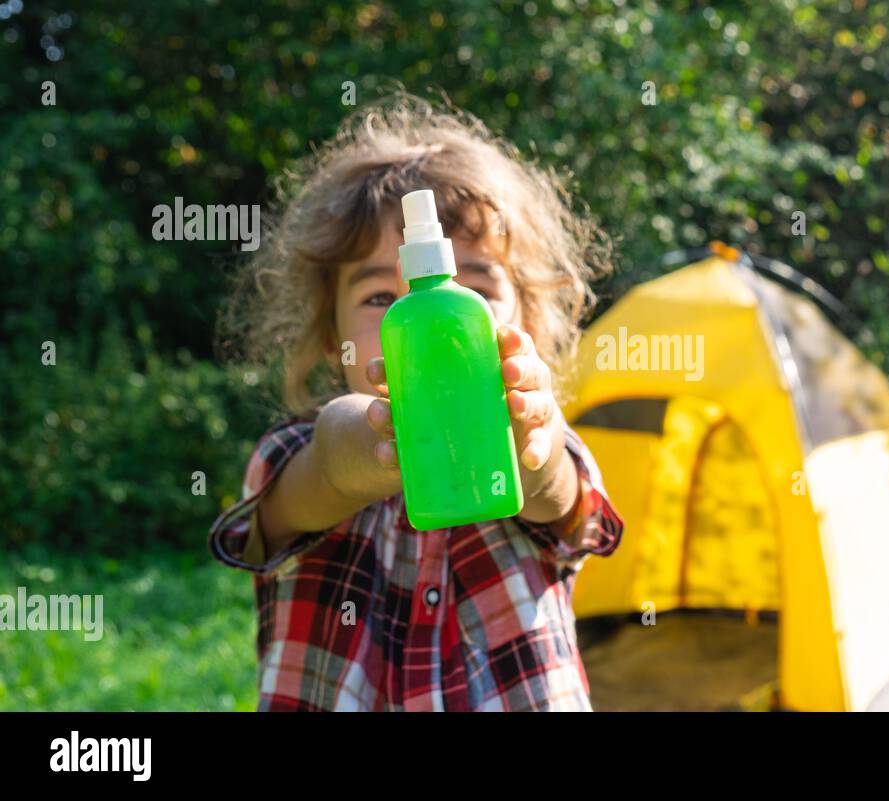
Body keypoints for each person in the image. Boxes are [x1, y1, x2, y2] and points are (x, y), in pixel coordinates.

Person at [209, 94, 624, 711]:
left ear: (527, 323)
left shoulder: (534, 436)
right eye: (380, 298)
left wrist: (533, 454)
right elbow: (328, 461)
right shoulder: (293, 452)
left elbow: (563, 503)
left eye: (476, 288)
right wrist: (375, 445)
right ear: (330, 335)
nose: (428, 324)